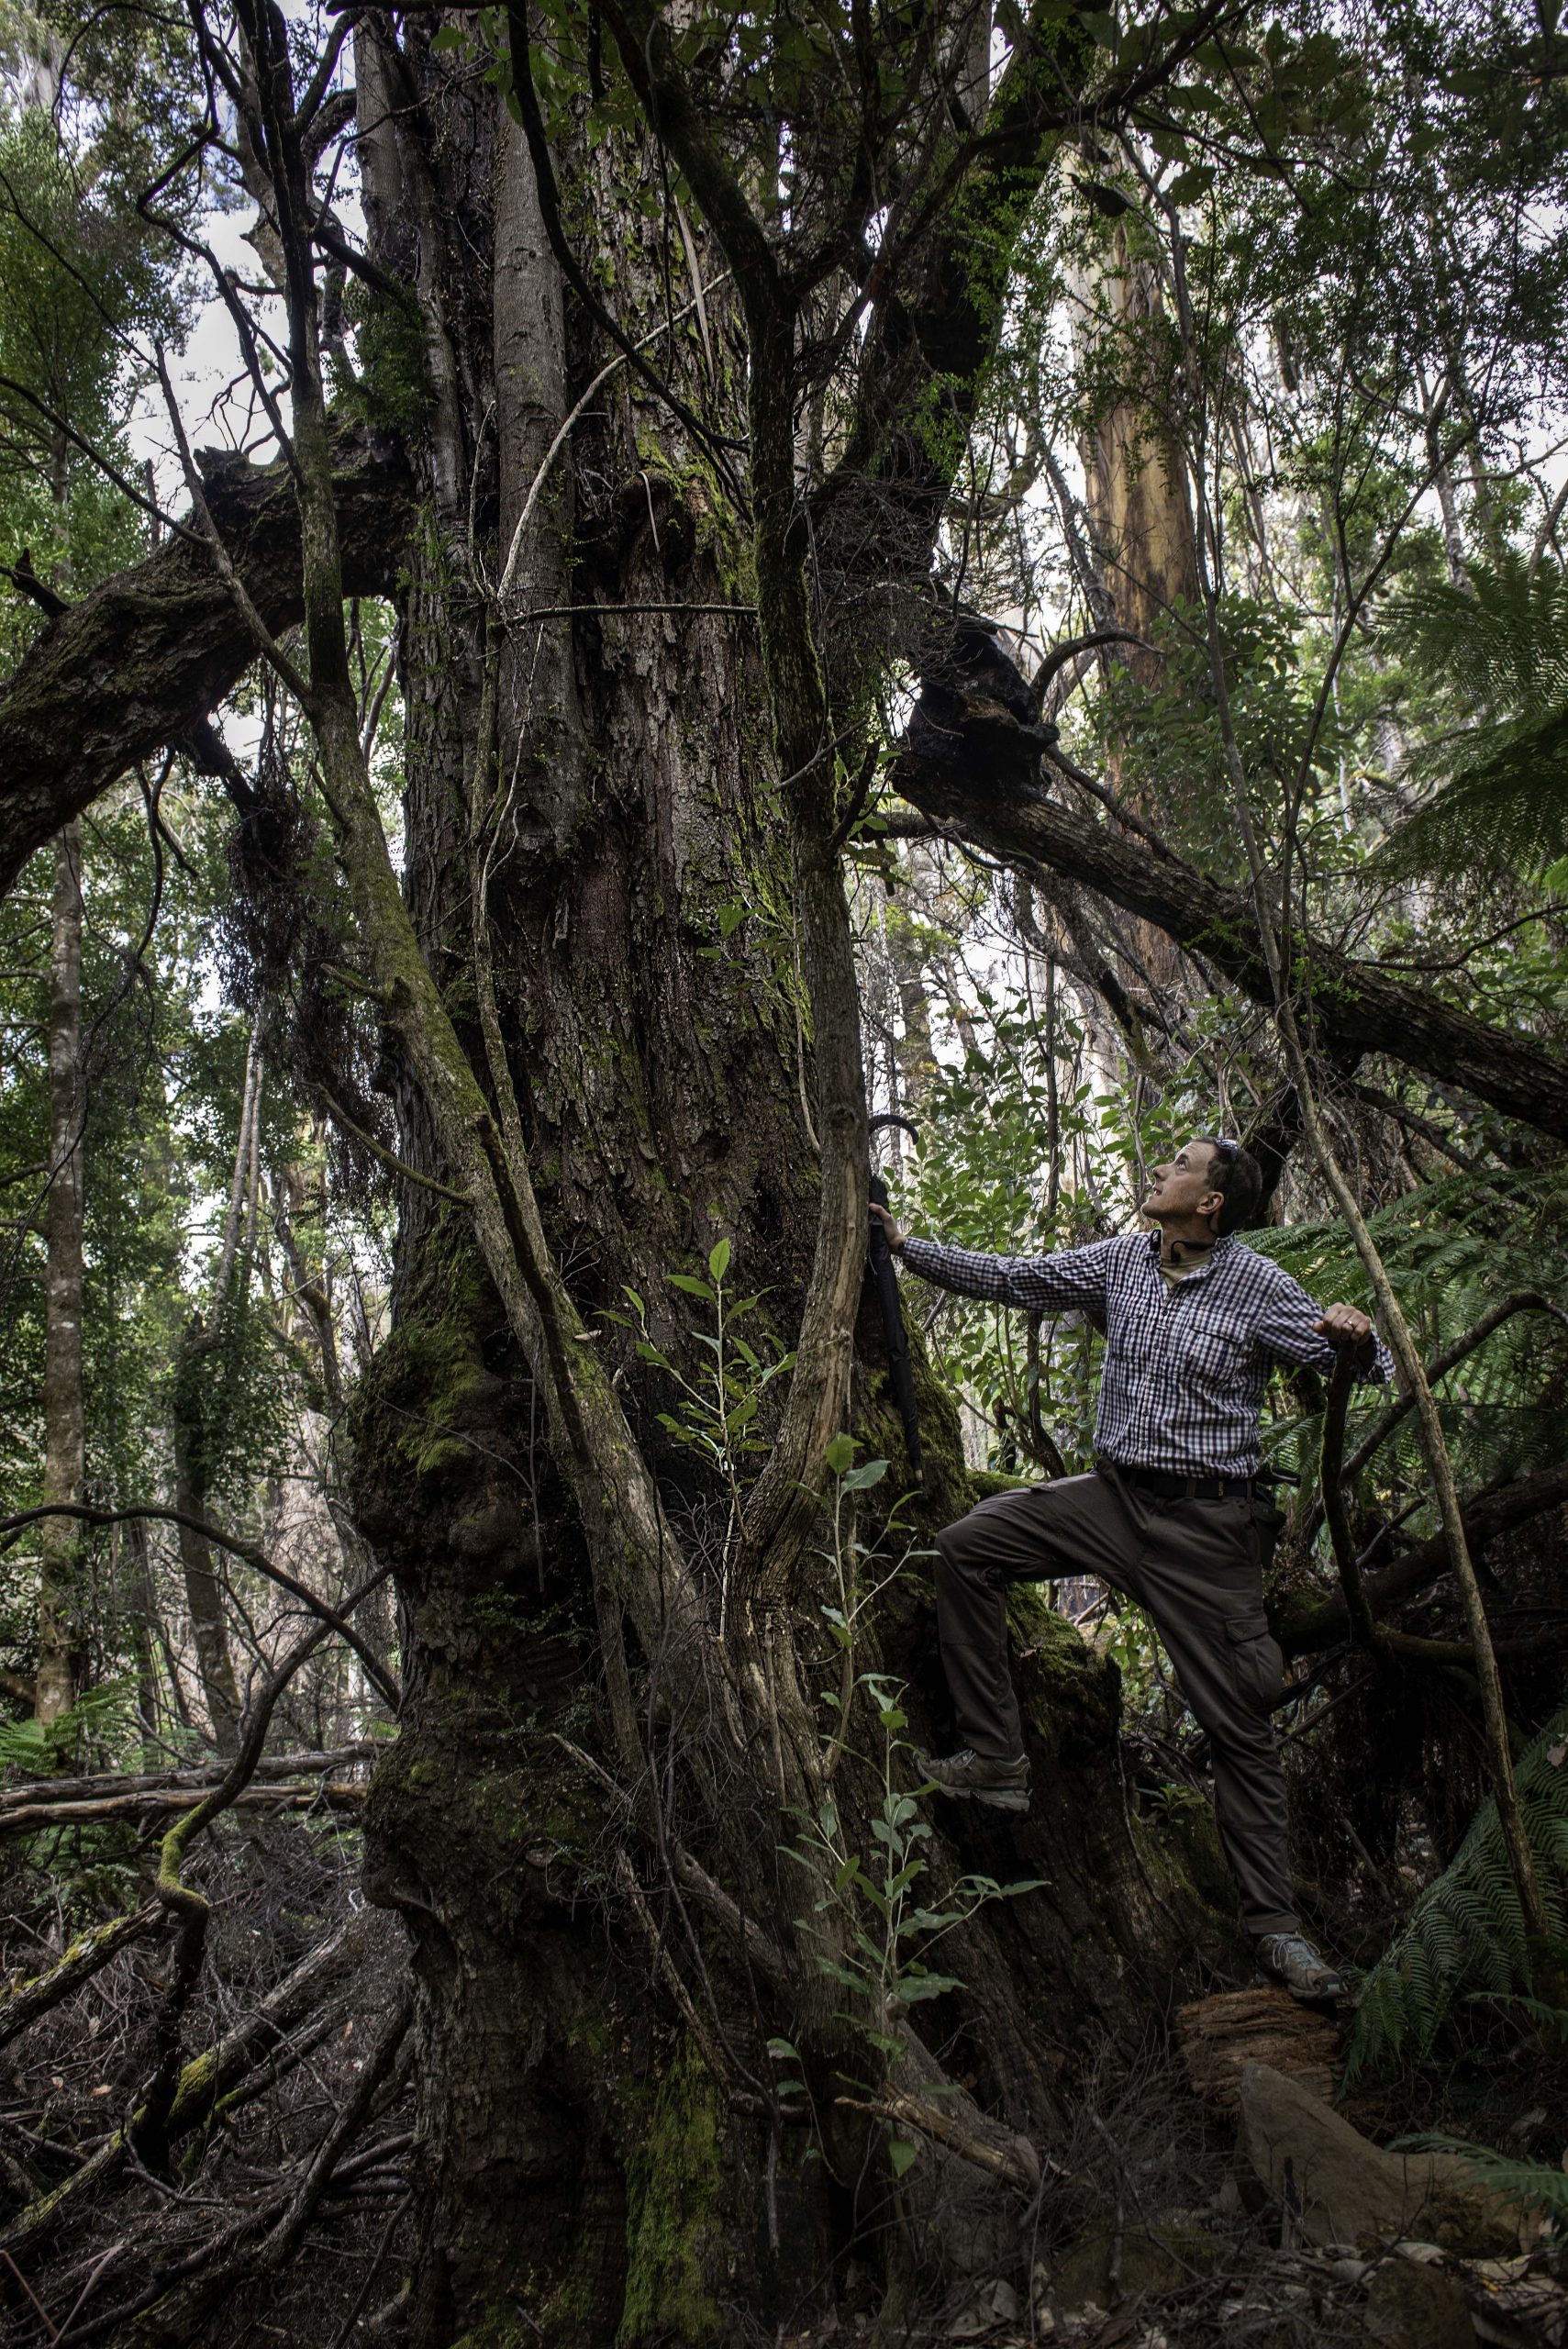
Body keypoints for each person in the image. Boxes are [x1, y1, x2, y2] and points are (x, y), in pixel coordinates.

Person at [869, 1135, 1394, 2003]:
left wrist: (1353, 1336)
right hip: (1111, 1499)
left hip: (1207, 1528)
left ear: (1211, 1201)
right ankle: (996, 1758)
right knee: (969, 1546)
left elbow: (1350, 1365)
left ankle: (1277, 1933)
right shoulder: (1122, 1259)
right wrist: (905, 1249)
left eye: (1178, 1167)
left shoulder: (1255, 1282)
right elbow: (1018, 1280)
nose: (1160, 1172)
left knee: (1240, 1727)